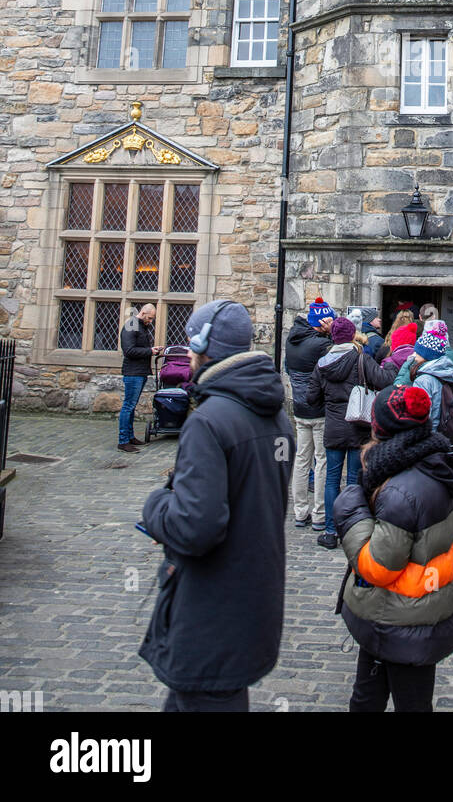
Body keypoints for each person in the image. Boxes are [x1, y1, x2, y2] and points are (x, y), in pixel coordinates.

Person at [138, 300, 293, 712]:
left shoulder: (209, 421)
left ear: (206, 345)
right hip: (251, 604)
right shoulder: (277, 417)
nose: (186, 350)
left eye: (192, 341)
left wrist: (157, 507)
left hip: (210, 614)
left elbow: (196, 527)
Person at [333, 383, 453, 712]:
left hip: (401, 619)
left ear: (381, 429)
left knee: (403, 703)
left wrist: (350, 512)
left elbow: (379, 566)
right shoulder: (433, 463)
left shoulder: (400, 490)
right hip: (399, 614)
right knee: (368, 698)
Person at [307, 315, 390, 549]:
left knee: (332, 480)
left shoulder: (322, 363)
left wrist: (329, 401)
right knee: (354, 481)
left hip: (333, 427)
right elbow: (385, 381)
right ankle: (352, 530)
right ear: (352, 335)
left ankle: (331, 531)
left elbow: (311, 398)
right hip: (357, 425)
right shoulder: (361, 359)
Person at [283, 297, 335, 530]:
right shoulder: (320, 345)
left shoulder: (292, 341)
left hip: (300, 408)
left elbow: (287, 368)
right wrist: (333, 333)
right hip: (319, 409)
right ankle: (319, 513)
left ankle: (299, 511)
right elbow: (339, 359)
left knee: (302, 460)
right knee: (321, 460)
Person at [118, 304, 160, 452]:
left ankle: (130, 437)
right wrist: (149, 351)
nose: (150, 321)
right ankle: (123, 441)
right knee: (128, 406)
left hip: (140, 371)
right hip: (132, 372)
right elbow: (129, 350)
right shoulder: (131, 325)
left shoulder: (141, 326)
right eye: (149, 318)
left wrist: (151, 350)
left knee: (131, 406)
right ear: (142, 313)